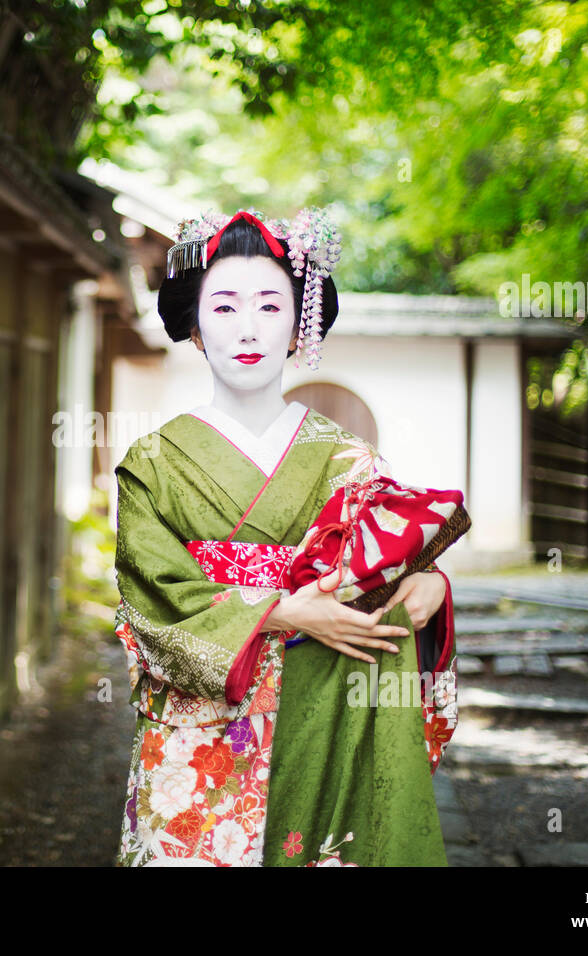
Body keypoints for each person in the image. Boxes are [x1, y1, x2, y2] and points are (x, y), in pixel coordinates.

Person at [113, 209, 456, 866]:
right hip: (198, 730)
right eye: (225, 306)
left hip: (323, 708)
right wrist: (280, 609)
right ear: (194, 324)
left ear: (299, 325)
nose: (248, 328)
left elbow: (395, 566)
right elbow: (150, 595)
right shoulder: (154, 462)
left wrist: (429, 586)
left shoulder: (349, 460)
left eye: (271, 305)